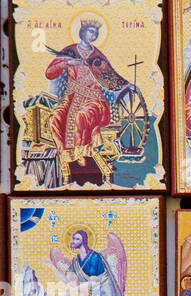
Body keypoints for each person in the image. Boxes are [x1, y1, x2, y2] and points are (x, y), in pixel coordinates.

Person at [44, 20, 135, 183]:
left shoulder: (97, 56)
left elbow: (112, 78)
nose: (93, 35)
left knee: (82, 116)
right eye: (90, 31)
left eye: (95, 32)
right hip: (71, 96)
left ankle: (82, 154)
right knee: (55, 118)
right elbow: (49, 73)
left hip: (94, 99)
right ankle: (68, 155)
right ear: (82, 32)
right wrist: (67, 63)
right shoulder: (69, 51)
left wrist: (127, 85)